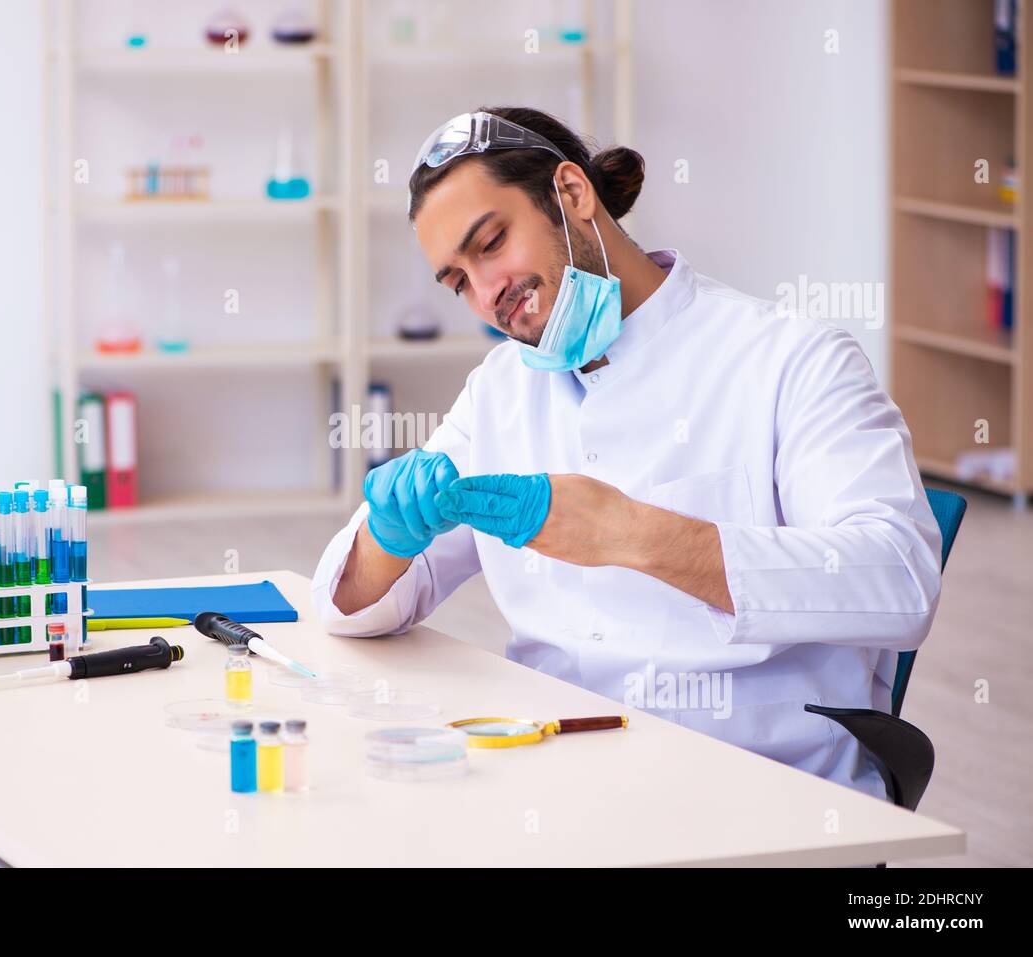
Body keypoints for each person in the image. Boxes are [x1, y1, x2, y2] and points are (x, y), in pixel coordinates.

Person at [312, 107, 942, 798]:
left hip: (760, 790)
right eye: (459, 280)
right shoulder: (501, 389)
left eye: (491, 243)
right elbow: (349, 603)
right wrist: (390, 532)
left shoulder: (790, 358)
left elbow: (900, 579)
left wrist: (631, 534)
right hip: (561, 778)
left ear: (573, 194)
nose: (488, 291)